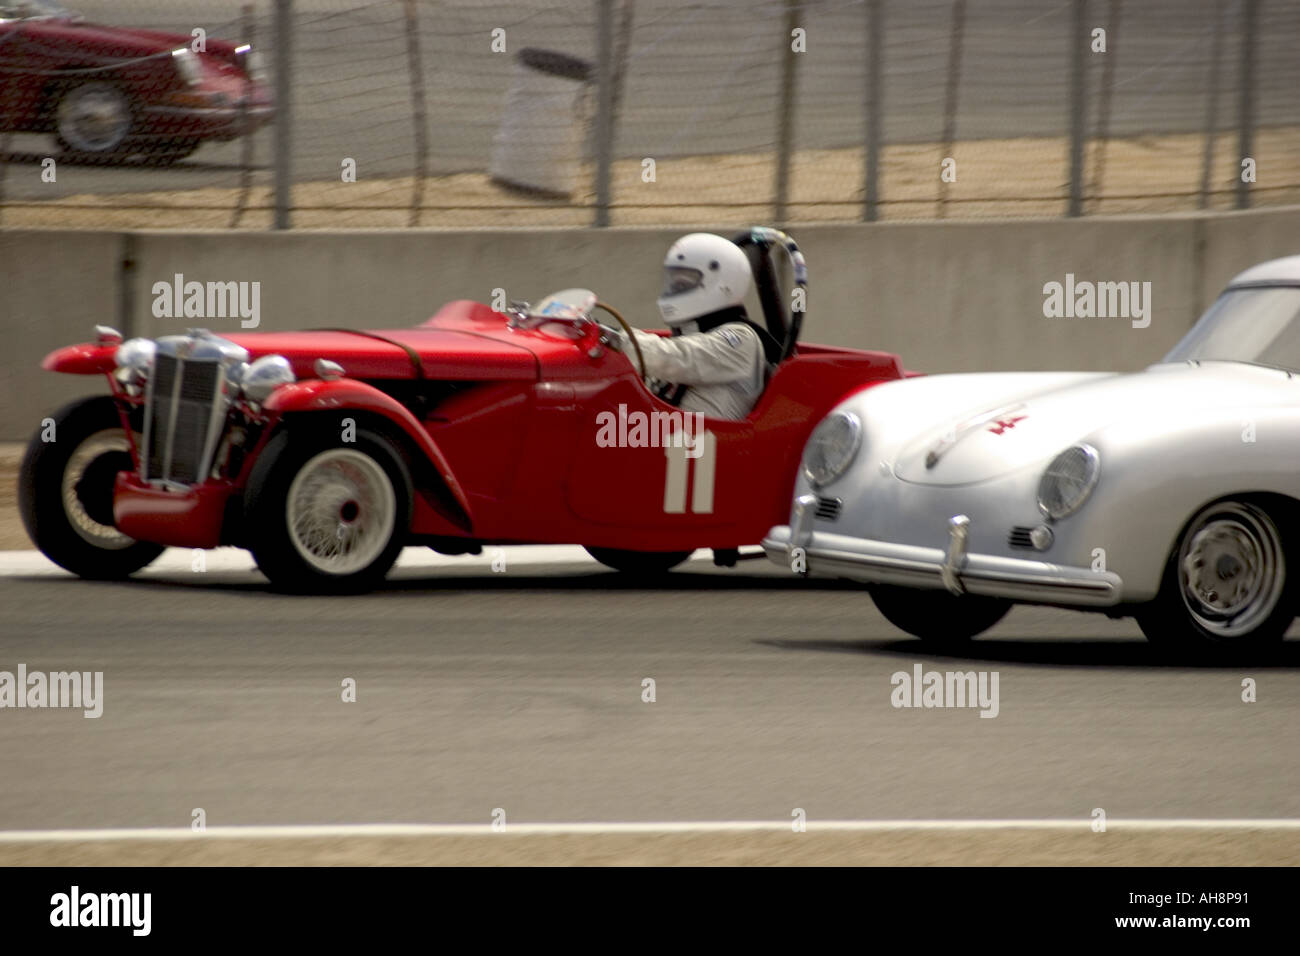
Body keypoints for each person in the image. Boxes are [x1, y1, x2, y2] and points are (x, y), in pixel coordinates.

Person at [613, 233, 770, 420]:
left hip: (700, 445)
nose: (674, 290)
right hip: (662, 438)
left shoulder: (741, 341)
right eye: (673, 282)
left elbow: (673, 356)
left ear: (723, 285)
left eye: (683, 284)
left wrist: (615, 339)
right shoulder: (691, 336)